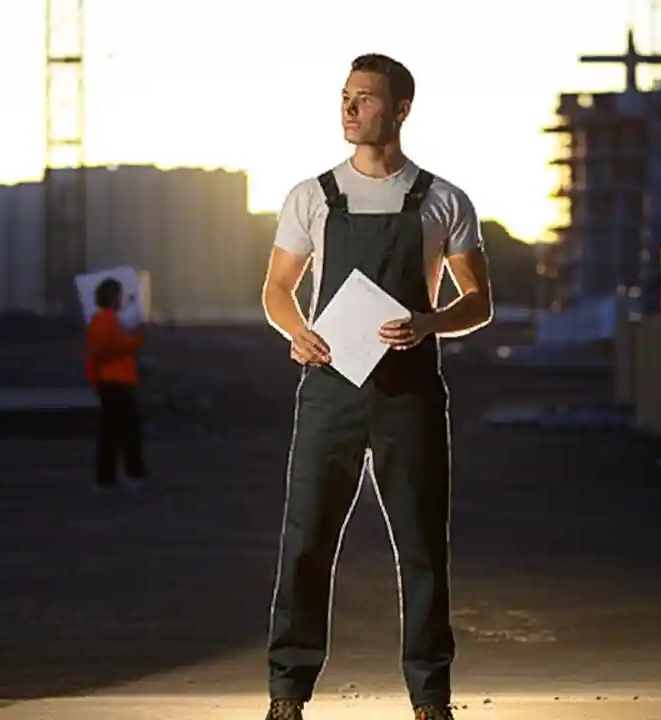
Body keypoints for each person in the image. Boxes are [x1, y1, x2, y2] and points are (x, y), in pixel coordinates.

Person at [260, 53, 493, 720]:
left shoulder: (443, 199)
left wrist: (430, 321)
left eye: (365, 98)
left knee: (421, 543)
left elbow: (479, 302)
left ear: (400, 110)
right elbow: (277, 289)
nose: (350, 107)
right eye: (345, 96)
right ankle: (287, 691)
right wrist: (295, 331)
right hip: (329, 385)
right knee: (305, 537)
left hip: (410, 392)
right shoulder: (312, 196)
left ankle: (430, 695)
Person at [85, 278, 149, 491]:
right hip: (116, 383)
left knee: (112, 432)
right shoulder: (105, 321)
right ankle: (131, 475)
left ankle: (108, 478)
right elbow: (109, 349)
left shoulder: (102, 321)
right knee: (127, 431)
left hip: (110, 383)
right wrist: (136, 339)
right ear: (112, 297)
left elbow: (94, 355)